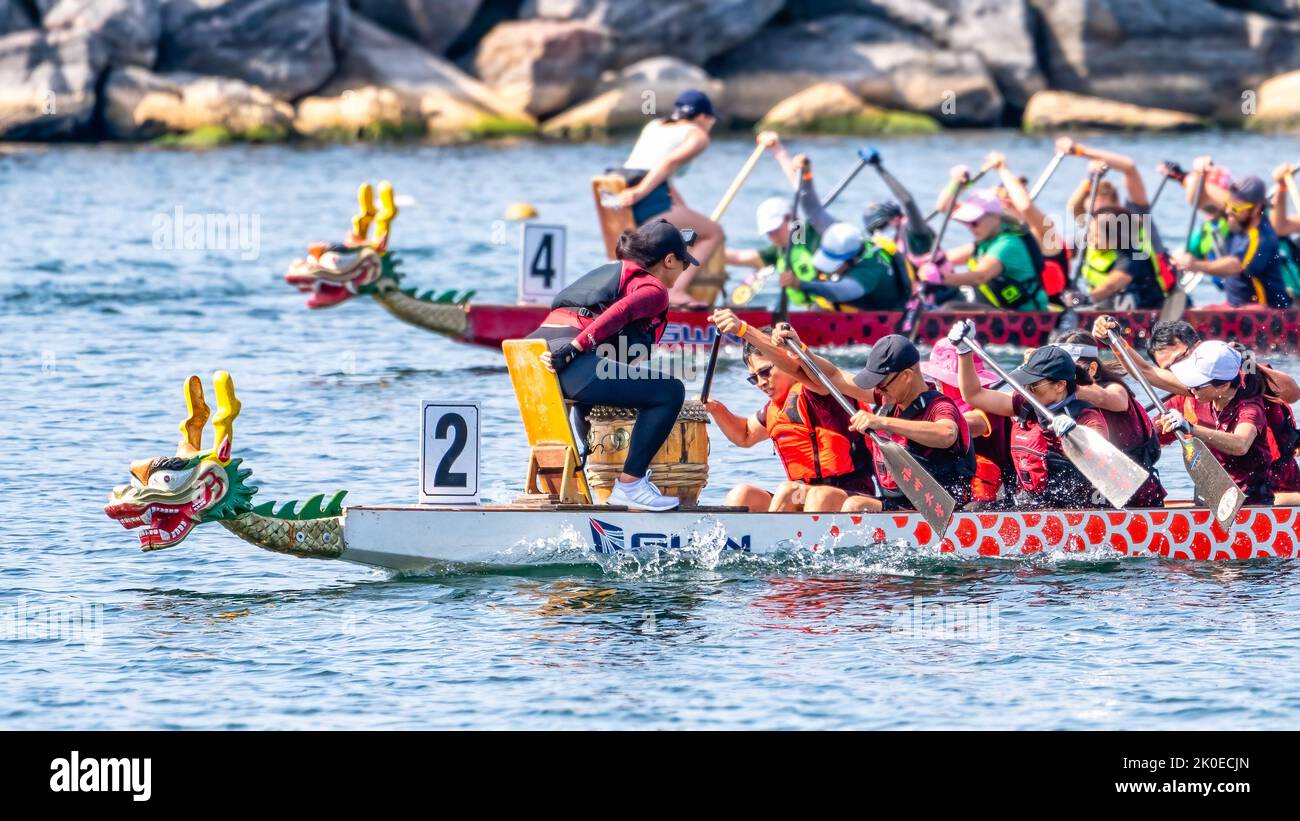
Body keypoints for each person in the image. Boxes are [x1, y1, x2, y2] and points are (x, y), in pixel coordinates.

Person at [529, 220, 693, 510]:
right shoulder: (654, 290)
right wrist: (575, 348)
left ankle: (580, 478)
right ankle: (630, 485)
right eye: (684, 264)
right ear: (669, 260)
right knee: (670, 391)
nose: (684, 271)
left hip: (531, 356)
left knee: (592, 398)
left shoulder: (614, 273)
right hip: (565, 357)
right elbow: (622, 311)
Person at [759, 324, 975, 513]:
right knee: (801, 494)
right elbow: (833, 377)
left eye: (882, 383)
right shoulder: (889, 399)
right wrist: (799, 350)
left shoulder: (940, 406)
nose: (878, 389)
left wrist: (880, 422)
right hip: (896, 505)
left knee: (854, 507)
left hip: (942, 510)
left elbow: (946, 434)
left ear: (907, 376)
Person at [1094, 316, 1300, 504]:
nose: (1179, 373)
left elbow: (1292, 394)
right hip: (1222, 495)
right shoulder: (1195, 391)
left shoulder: (1247, 390)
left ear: (1199, 348)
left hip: (1275, 491)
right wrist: (1114, 340)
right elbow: (1145, 374)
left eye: (1180, 360)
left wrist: (1245, 361)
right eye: (1169, 369)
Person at [702, 316, 872, 511]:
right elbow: (745, 435)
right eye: (753, 378)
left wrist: (743, 329)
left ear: (782, 361)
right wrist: (716, 408)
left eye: (765, 372)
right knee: (741, 495)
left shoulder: (822, 392)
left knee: (793, 492)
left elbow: (808, 370)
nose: (761, 383)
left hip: (851, 496)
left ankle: (778, 536)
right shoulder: (775, 409)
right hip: (802, 496)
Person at [951, 320, 1110, 509]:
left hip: (1072, 511)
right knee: (973, 508)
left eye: (1033, 385)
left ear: (1060, 385)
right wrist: (963, 352)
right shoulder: (1025, 405)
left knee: (977, 510)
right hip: (1031, 504)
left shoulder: (1086, 416)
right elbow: (974, 395)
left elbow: (1103, 456)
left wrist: (1078, 435)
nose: (1027, 390)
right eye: (1025, 384)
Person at [614, 89, 722, 307]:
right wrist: (640, 192)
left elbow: (663, 178)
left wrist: (685, 212)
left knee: (689, 232)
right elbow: (668, 163)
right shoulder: (698, 135)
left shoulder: (655, 125)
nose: (711, 123)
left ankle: (632, 291)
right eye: (712, 119)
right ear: (702, 117)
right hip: (642, 197)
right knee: (712, 233)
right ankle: (676, 291)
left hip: (619, 192)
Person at [1154, 341, 1277, 505]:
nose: (1191, 390)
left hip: (1248, 502)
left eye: (1198, 386)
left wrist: (1190, 427)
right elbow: (1149, 434)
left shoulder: (1250, 408)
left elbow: (1241, 444)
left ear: (1224, 385)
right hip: (1209, 493)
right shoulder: (1199, 397)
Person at [1052, 332, 1166, 507]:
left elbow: (1113, 399)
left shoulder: (1115, 389)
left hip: (1133, 495)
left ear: (1092, 369)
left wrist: (1070, 390)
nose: (1062, 376)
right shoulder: (1058, 395)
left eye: (1070, 369)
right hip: (1090, 495)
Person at [1171, 172, 1292, 308]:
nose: (1228, 211)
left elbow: (1235, 266)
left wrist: (1197, 266)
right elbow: (1200, 198)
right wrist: (1195, 174)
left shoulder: (1262, 238)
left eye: (1235, 207)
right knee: (1193, 316)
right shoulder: (1239, 220)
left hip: (1267, 314)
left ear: (1256, 209)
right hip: (1236, 307)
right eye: (1228, 204)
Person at [919, 338, 1013, 506]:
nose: (937, 383)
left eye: (941, 379)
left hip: (989, 499)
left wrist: (914, 426)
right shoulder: (941, 403)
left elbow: (969, 425)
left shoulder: (987, 405)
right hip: (960, 489)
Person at [922, 190, 1049, 311]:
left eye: (975, 222)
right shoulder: (985, 241)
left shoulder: (1008, 245)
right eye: (968, 223)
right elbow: (943, 208)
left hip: (1026, 318)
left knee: (950, 307)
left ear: (995, 218)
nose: (970, 227)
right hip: (1000, 310)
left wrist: (941, 278)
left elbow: (980, 276)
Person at [1077, 207, 1166, 310]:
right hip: (1110, 306)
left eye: (1097, 236)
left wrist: (1087, 299)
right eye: (1090, 233)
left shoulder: (1133, 255)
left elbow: (1112, 284)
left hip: (1147, 310)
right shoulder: (1093, 245)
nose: (1090, 238)